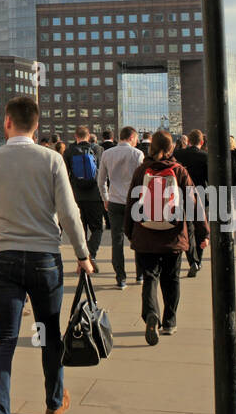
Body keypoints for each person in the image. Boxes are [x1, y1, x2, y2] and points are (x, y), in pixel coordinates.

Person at [0, 95, 93, 414]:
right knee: (47, 333)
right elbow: (69, 214)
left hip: (6, 262)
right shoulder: (52, 159)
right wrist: (83, 254)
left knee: (4, 340)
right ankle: (54, 402)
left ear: (7, 122)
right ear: (36, 125)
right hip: (44, 260)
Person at [124, 129, 209, 345]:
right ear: (171, 148)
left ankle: (151, 313)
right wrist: (203, 232)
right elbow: (193, 203)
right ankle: (169, 321)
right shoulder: (179, 171)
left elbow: (131, 204)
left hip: (145, 234)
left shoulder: (142, 170)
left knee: (150, 277)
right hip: (173, 234)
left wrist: (130, 231)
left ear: (151, 148)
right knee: (171, 279)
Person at [97, 126, 143, 289]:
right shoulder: (137, 154)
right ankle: (139, 274)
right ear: (131, 137)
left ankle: (120, 277)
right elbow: (142, 180)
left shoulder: (107, 154)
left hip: (114, 200)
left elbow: (101, 179)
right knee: (138, 238)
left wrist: (105, 198)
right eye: (136, 139)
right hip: (134, 201)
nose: (137, 142)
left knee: (117, 240)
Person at [64, 125, 104, 272]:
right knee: (98, 228)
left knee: (82, 230)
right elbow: (101, 173)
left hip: (77, 197)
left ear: (76, 136)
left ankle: (82, 261)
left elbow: (65, 175)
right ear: (88, 137)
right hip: (95, 196)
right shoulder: (98, 150)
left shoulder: (68, 152)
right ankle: (91, 254)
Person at [174, 129, 209, 276]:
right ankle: (198, 260)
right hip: (200, 195)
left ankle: (192, 260)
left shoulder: (178, 154)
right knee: (200, 228)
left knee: (186, 229)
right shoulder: (205, 156)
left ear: (188, 141)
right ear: (201, 142)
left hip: (181, 195)